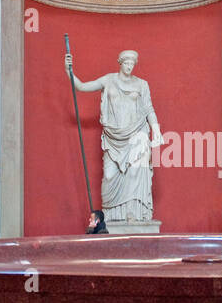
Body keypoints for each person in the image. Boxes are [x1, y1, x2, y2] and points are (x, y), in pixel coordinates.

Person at [65, 49, 164, 223]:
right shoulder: (108, 80)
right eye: (126, 63)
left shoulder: (142, 85)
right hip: (113, 137)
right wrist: (69, 70)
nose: (129, 66)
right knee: (109, 176)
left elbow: (148, 109)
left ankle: (133, 214)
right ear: (120, 63)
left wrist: (156, 130)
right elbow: (81, 87)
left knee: (135, 174)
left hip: (136, 134)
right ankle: (112, 215)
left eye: (132, 63)